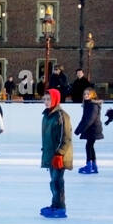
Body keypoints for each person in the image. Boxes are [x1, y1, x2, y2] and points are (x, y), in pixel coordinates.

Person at [40, 88, 72, 217]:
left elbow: (66, 137)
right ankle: (55, 204)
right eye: (45, 99)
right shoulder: (47, 115)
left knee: (58, 181)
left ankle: (60, 208)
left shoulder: (61, 115)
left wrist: (59, 154)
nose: (46, 102)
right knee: (53, 181)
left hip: (59, 156)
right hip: (51, 154)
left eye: (49, 99)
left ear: (56, 99)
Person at [75, 87, 102, 173]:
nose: (86, 95)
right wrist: (78, 129)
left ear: (92, 95)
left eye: (88, 94)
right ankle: (93, 165)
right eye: (84, 94)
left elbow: (90, 120)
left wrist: (81, 129)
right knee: (90, 146)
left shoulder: (93, 105)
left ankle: (89, 165)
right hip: (90, 129)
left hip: (93, 129)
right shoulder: (87, 104)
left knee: (88, 146)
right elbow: (84, 119)